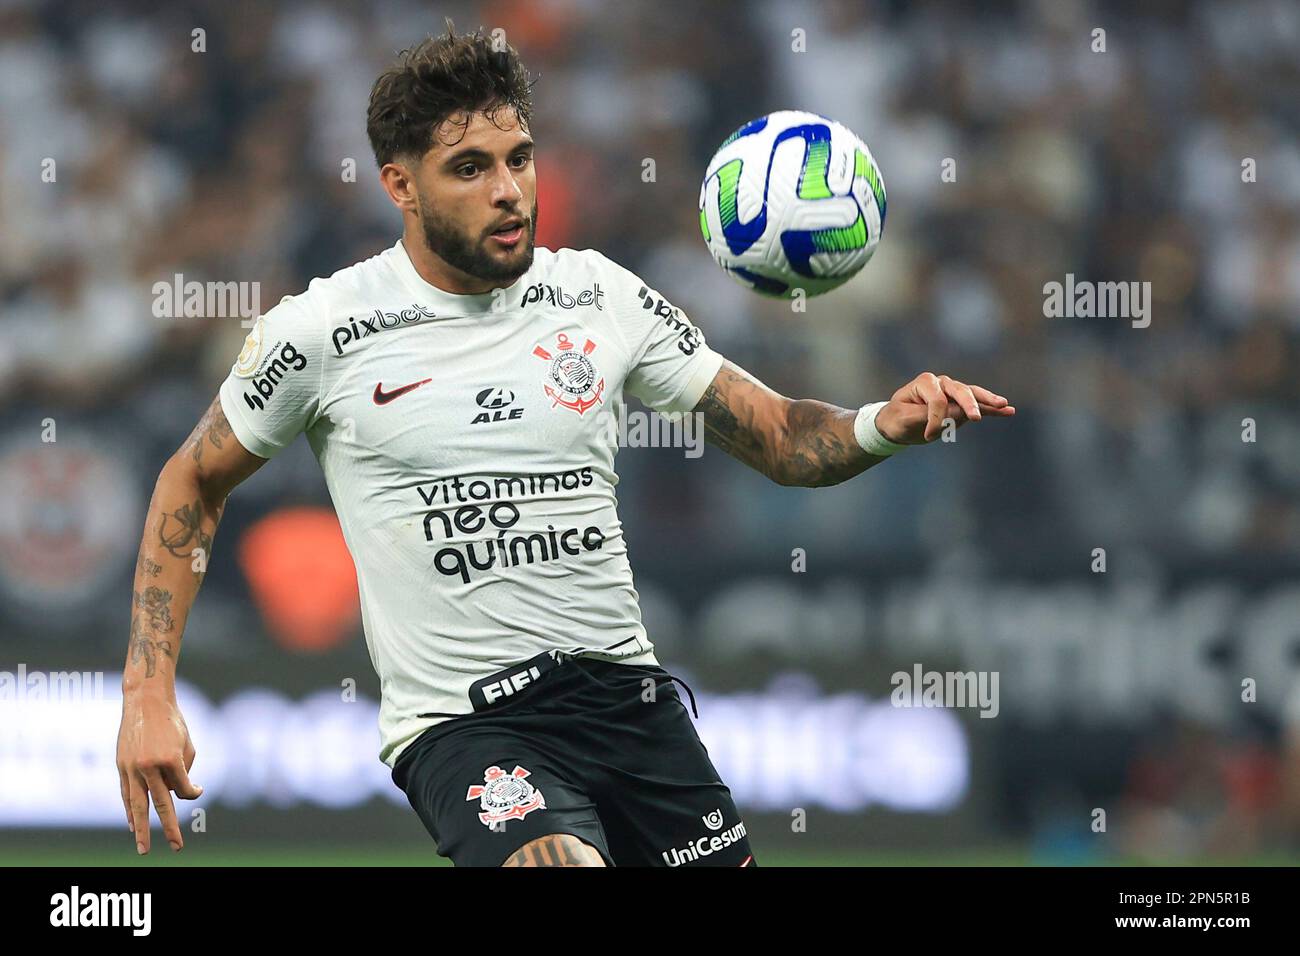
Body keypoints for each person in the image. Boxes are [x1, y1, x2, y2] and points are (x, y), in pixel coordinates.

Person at [115, 25, 1014, 867]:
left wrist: (878, 424)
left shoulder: (598, 297)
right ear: (400, 186)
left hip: (629, 705)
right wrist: (148, 696)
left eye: (519, 159)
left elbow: (779, 434)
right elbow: (191, 481)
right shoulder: (322, 329)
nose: (509, 191)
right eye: (469, 168)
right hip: (466, 726)